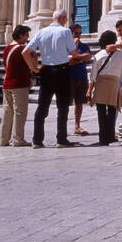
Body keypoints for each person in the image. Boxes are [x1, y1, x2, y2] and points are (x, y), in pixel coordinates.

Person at [24, 8, 81, 148]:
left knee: (42, 107)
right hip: (62, 70)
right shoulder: (66, 31)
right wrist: (75, 49)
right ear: (63, 18)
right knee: (62, 107)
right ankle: (61, 139)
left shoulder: (41, 32)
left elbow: (25, 52)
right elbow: (74, 54)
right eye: (66, 19)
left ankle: (37, 140)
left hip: (46, 71)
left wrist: (35, 69)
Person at [88, 30, 122, 145]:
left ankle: (103, 138)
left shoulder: (98, 55)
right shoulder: (121, 54)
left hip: (101, 84)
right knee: (112, 110)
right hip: (114, 83)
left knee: (101, 111)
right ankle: (110, 135)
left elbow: (93, 75)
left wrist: (89, 91)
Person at [0, 25, 32, 147]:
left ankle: (4, 139)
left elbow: (5, 66)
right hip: (19, 85)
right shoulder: (22, 49)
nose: (27, 38)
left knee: (7, 112)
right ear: (21, 35)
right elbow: (31, 63)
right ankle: (18, 139)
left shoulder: (7, 48)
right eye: (26, 35)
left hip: (7, 84)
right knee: (20, 112)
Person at [69, 24, 91, 135]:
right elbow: (67, 61)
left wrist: (75, 58)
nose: (79, 35)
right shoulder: (66, 46)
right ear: (71, 34)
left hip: (82, 77)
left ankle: (77, 126)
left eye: (80, 33)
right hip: (69, 78)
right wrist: (79, 58)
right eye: (76, 33)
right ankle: (62, 126)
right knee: (65, 103)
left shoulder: (85, 46)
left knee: (79, 103)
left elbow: (88, 56)